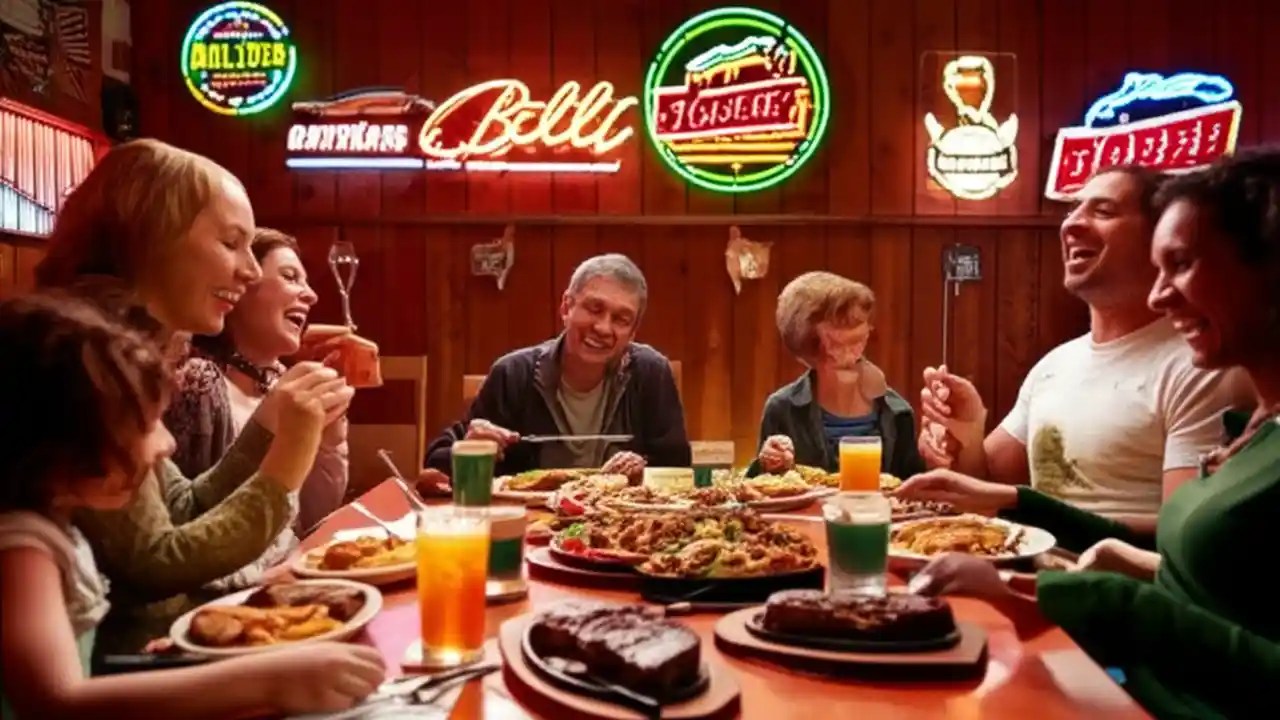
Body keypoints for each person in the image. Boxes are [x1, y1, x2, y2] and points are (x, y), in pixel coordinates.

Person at [897, 149, 1280, 720]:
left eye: (1181, 263)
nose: (1161, 293)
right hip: (1121, 661)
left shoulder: (1202, 376)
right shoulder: (1255, 425)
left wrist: (1077, 593)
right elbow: (1189, 570)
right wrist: (987, 462)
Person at [34, 139, 353, 654]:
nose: (250, 271)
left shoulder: (117, 349)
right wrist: (289, 455)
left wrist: (267, 429)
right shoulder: (80, 364)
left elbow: (182, 506)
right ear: (149, 238)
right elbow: (157, 561)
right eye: (231, 244)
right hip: (133, 672)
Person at [0, 292, 384, 719]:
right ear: (62, 442)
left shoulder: (57, 528)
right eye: (144, 427)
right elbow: (56, 703)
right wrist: (272, 679)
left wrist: (165, 664)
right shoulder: (22, 549)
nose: (166, 445)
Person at [917, 166, 1253, 534]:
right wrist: (967, 432)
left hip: (1120, 587)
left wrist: (1026, 512)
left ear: (1158, 240)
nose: (1071, 224)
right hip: (1027, 575)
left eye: (1103, 211)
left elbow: (1183, 535)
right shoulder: (1055, 365)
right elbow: (984, 482)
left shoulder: (1197, 367)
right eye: (1073, 210)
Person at [166, 228, 349, 591]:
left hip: (292, 579)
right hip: (236, 599)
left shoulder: (284, 379)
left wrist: (331, 443)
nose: (311, 295)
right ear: (240, 288)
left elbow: (311, 517)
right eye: (289, 276)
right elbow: (197, 538)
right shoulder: (200, 382)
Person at [425, 253, 689, 478]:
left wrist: (642, 469)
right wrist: (472, 450)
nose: (603, 328)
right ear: (566, 307)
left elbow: (677, 468)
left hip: (622, 525)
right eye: (594, 309)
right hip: (531, 524)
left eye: (621, 319)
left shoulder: (652, 373)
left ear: (632, 332)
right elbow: (437, 460)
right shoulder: (513, 374)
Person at [750, 272, 923, 479]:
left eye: (860, 339)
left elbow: (915, 492)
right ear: (809, 348)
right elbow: (762, 490)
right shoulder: (782, 409)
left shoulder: (898, 413)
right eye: (839, 344)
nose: (854, 355)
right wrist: (768, 463)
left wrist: (939, 462)